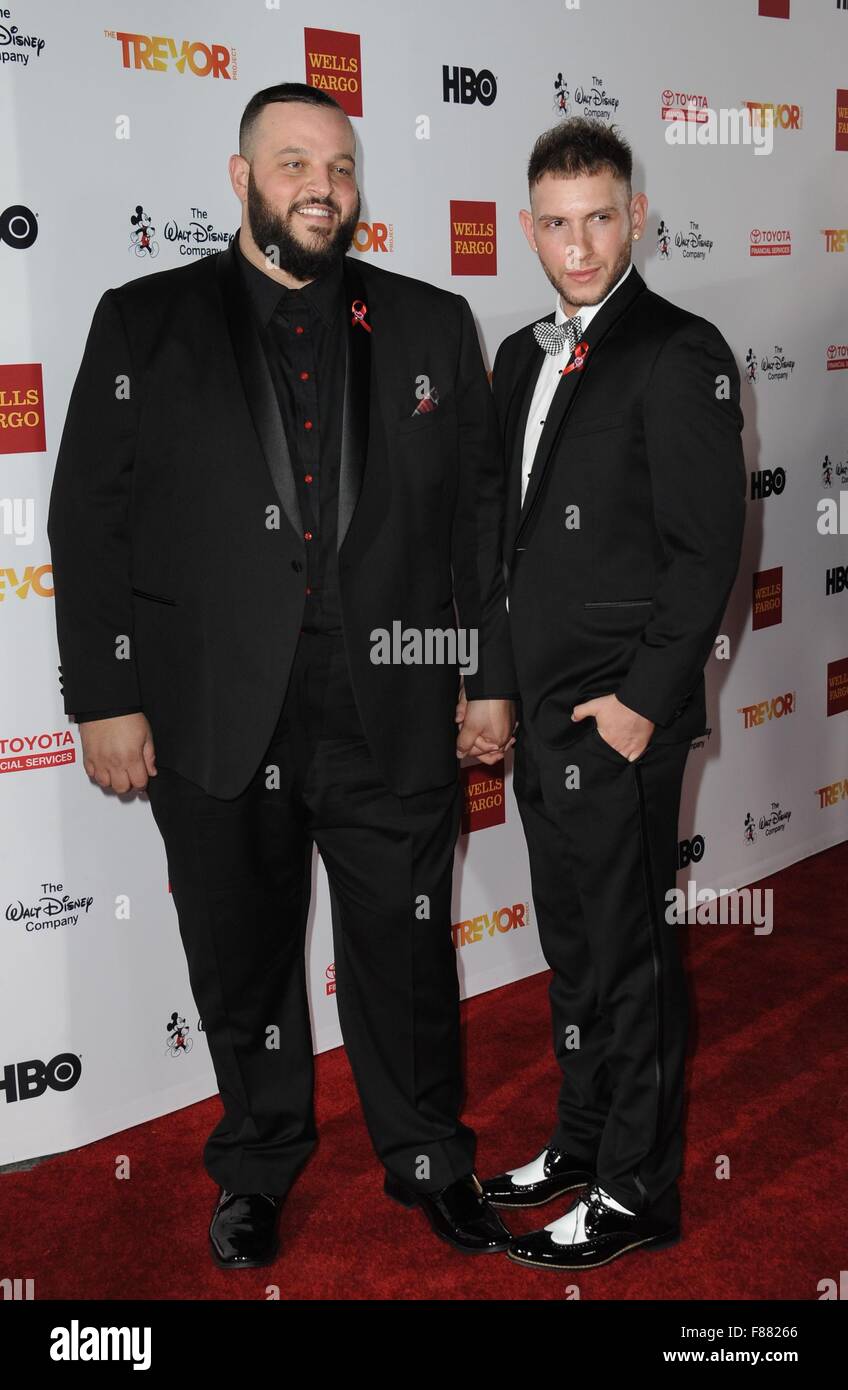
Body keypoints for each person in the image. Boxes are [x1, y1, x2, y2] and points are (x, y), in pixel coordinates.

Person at [47, 82, 518, 1268]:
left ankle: (426, 1156)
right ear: (241, 177)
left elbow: (476, 525)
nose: (322, 185)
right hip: (213, 711)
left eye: (343, 166)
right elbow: (89, 520)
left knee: (405, 947)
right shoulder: (142, 321)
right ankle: (257, 1160)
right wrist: (105, 695)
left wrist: (489, 676)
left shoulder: (424, 323)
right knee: (242, 955)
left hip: (390, 706)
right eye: (295, 161)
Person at [482, 117, 746, 1270]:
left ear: (634, 215)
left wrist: (641, 702)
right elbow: (499, 548)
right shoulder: (515, 356)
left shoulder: (679, 349)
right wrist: (489, 688)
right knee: (575, 952)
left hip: (616, 719)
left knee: (631, 960)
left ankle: (638, 1192)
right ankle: (580, 1142)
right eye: (556, 222)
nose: (578, 244)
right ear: (528, 226)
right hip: (538, 721)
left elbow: (705, 552)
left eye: (599, 217)